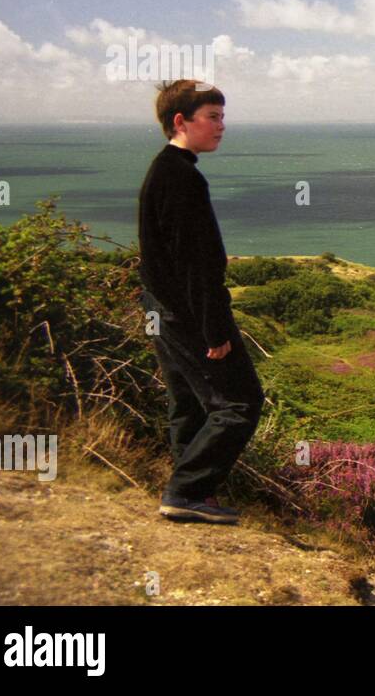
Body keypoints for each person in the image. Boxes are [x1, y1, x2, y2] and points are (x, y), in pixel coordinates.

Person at [137, 78, 263, 524]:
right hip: (187, 313)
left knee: (188, 403)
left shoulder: (166, 170)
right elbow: (195, 263)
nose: (221, 125)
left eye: (222, 116)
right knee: (240, 403)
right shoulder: (182, 178)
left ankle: (189, 492)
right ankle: (187, 490)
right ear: (180, 121)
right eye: (212, 117)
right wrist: (214, 329)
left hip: (163, 307)